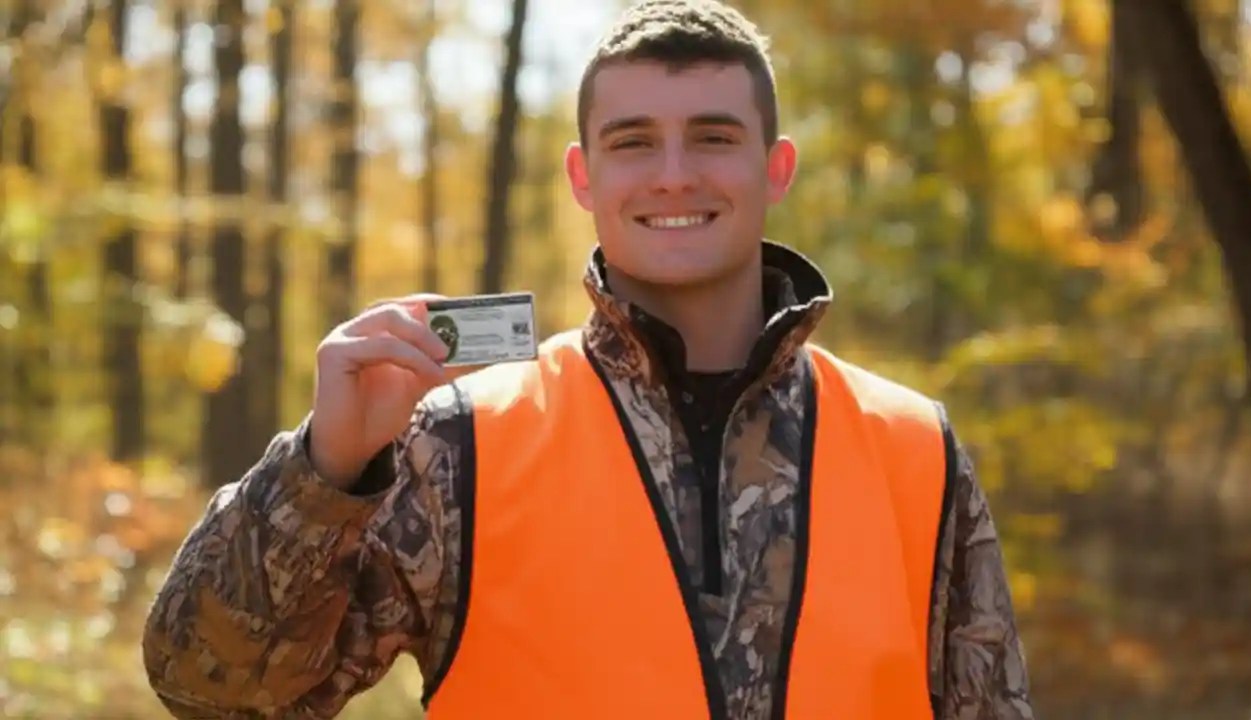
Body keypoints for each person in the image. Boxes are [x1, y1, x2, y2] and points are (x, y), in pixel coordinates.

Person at [142, 0, 1034, 717]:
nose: (673, 174)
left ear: (775, 167)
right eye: (633, 141)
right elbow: (214, 692)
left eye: (715, 137)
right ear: (583, 177)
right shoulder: (459, 446)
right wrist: (322, 475)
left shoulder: (915, 449)